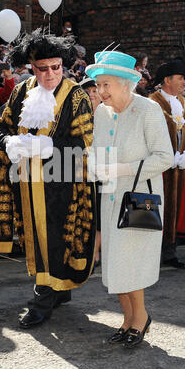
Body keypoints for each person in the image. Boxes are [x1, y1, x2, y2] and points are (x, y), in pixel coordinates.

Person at [0, 29, 95, 328]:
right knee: (35, 237)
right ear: (31, 68)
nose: (50, 74)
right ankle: (56, 289)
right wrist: (8, 143)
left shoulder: (76, 96)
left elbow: (85, 142)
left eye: (56, 67)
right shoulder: (21, 91)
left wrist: (49, 146)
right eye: (42, 68)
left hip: (62, 181)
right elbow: (2, 127)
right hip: (25, 182)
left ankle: (43, 298)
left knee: (53, 237)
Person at [85, 50, 173, 348]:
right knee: (114, 262)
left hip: (139, 197)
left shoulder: (148, 110)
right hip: (110, 196)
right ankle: (127, 319)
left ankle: (140, 317)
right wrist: (93, 163)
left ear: (126, 83)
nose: (101, 91)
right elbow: (97, 149)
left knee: (130, 262)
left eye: (106, 84)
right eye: (98, 85)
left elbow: (165, 157)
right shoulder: (101, 112)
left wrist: (125, 168)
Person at [150, 61, 185, 267]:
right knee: (156, 208)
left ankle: (169, 252)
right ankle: (152, 252)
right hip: (158, 169)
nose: (184, 82)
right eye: (180, 78)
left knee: (177, 207)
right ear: (167, 80)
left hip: (180, 168)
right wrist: (165, 155)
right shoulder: (151, 103)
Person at [80, 77, 102, 266]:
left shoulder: (109, 114)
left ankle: (95, 254)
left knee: (100, 215)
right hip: (82, 170)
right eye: (88, 92)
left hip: (104, 170)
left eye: (95, 91)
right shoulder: (78, 116)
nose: (92, 95)